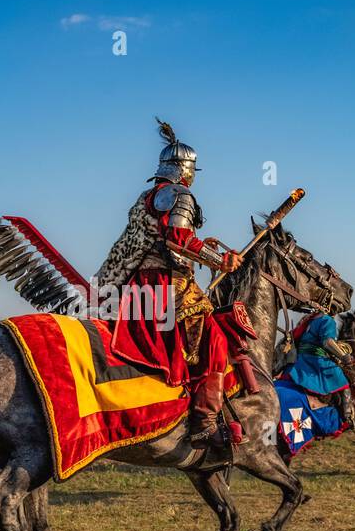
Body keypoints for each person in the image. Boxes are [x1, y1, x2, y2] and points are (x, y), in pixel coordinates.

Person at [93, 118, 243, 444]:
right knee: (216, 338)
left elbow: (160, 239)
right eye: (191, 169)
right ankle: (204, 421)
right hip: (164, 284)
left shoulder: (148, 195)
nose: (191, 176)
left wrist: (208, 247)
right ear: (183, 170)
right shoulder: (180, 194)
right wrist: (221, 261)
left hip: (139, 283)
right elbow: (177, 240)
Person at [281, 310, 355, 426]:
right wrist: (343, 356)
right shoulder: (327, 320)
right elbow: (327, 342)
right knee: (342, 380)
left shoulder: (309, 319)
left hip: (300, 360)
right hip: (315, 360)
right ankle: (348, 416)